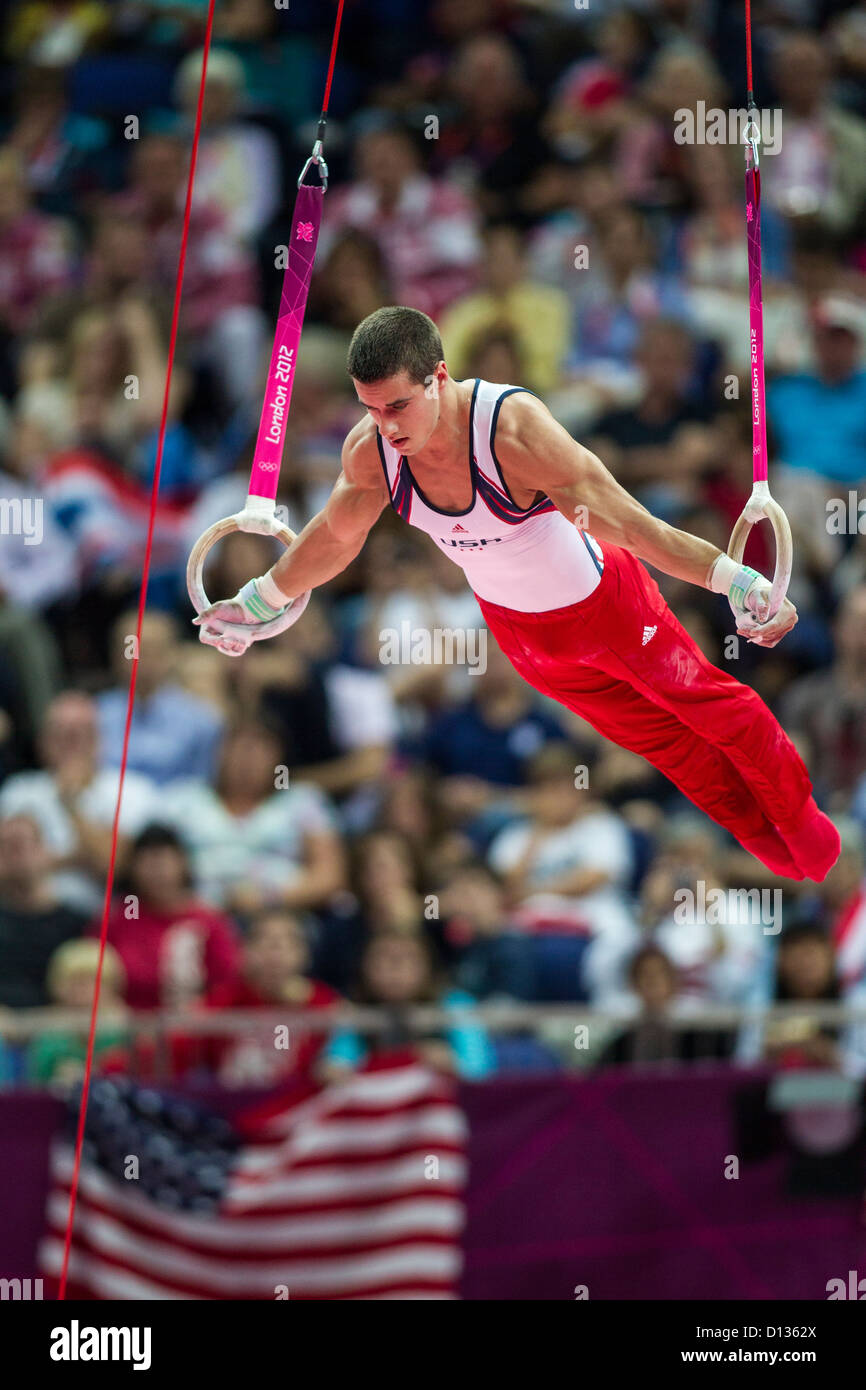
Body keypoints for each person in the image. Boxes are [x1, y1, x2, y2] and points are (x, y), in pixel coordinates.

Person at [194, 305, 841, 885]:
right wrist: (257, 602)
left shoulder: (510, 431)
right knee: (668, 747)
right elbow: (334, 537)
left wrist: (736, 579)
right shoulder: (373, 453)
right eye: (370, 408)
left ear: (438, 379)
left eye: (397, 406)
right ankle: (773, 846)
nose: (385, 426)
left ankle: (810, 833)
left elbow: (636, 527)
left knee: (710, 708)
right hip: (525, 641)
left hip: (609, 609)